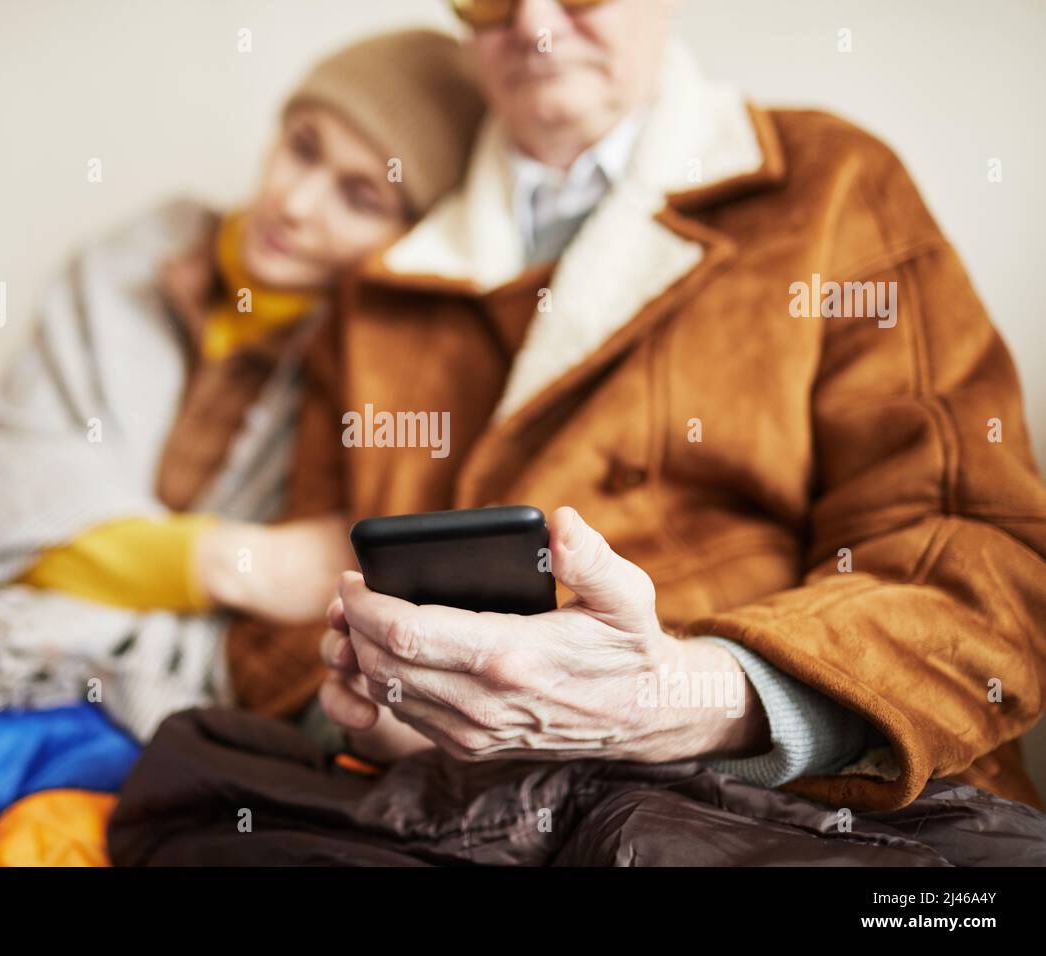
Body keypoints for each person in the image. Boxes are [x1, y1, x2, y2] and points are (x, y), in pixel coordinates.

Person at [259, 0, 1046, 812]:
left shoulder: (834, 185)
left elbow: (981, 566)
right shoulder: (378, 281)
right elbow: (289, 614)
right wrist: (370, 715)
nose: (534, 25)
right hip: (455, 810)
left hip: (788, 810)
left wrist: (684, 698)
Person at [0, 29, 485, 742]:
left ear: (411, 236)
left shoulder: (376, 378)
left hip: (118, 693)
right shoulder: (135, 259)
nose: (295, 203)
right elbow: (17, 527)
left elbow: (244, 657)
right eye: (301, 147)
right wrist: (238, 564)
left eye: (360, 197)